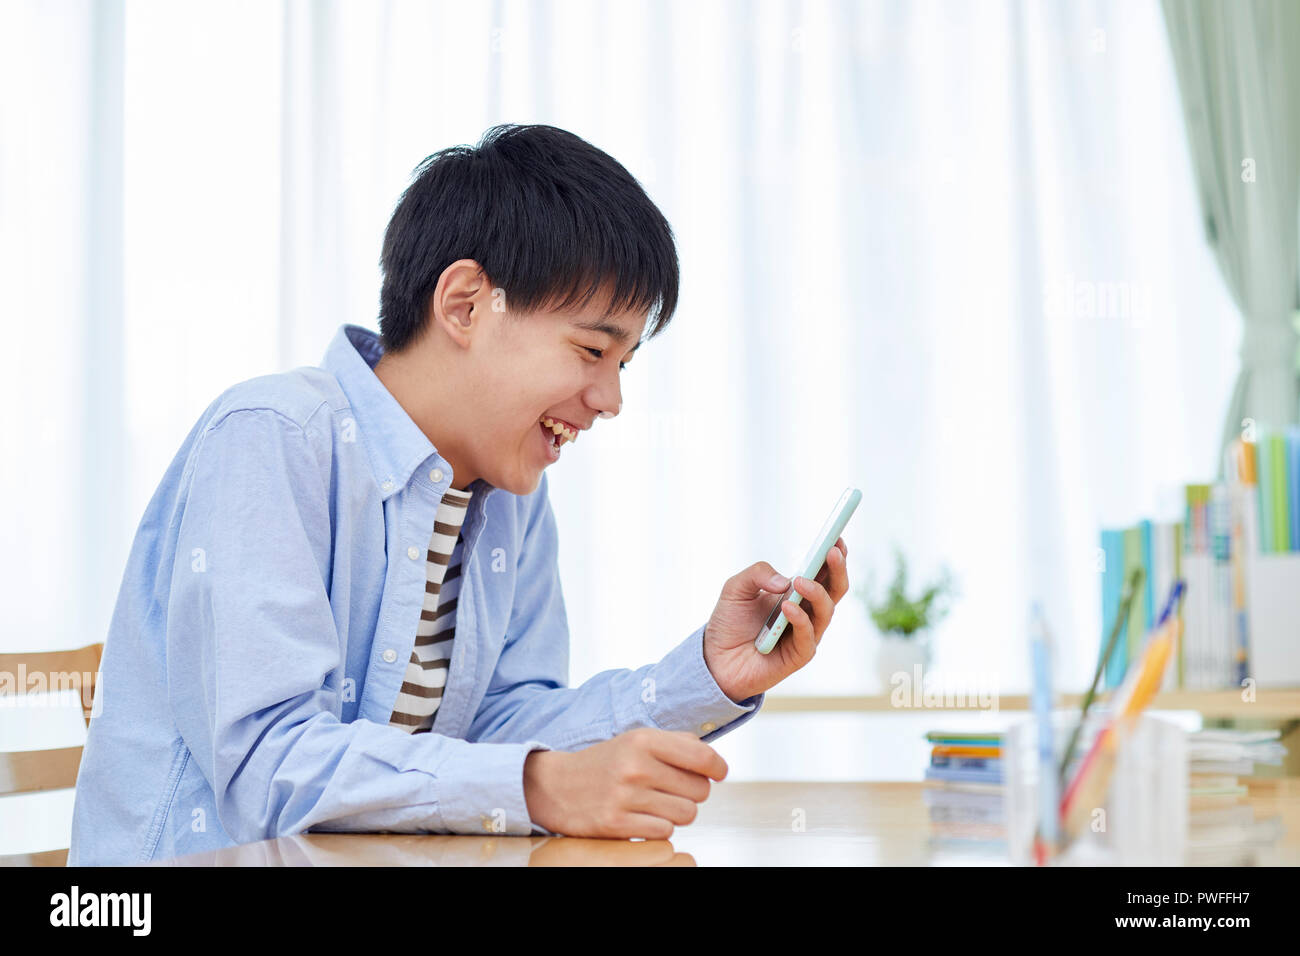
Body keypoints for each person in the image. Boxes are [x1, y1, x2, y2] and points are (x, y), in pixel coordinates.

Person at [68, 124, 850, 865]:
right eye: (591, 350)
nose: (611, 400)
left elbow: (503, 731)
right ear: (466, 304)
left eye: (624, 365)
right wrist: (537, 786)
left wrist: (708, 675)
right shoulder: (274, 437)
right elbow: (269, 766)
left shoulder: (510, 495)